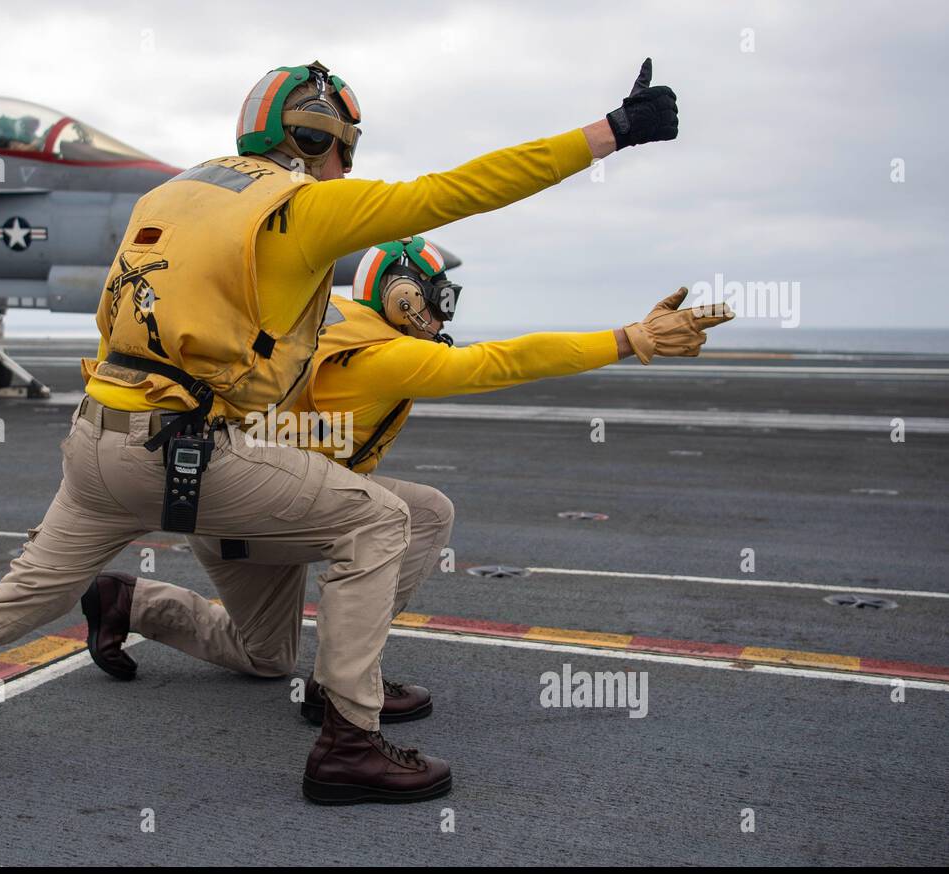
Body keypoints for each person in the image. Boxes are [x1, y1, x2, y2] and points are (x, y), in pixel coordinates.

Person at [0, 58, 683, 805]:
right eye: (342, 148)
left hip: (98, 443)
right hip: (191, 456)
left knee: (14, 601)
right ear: (317, 139)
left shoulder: (172, 193)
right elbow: (464, 190)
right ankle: (347, 742)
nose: (344, 166)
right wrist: (613, 130)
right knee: (382, 520)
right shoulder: (302, 207)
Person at [85, 239, 733, 766]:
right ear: (400, 293)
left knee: (265, 657)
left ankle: (130, 601)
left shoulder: (327, 318)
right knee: (419, 513)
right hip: (271, 510)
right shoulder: (379, 356)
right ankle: (344, 685)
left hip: (236, 514)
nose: (442, 312)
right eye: (435, 296)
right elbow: (504, 361)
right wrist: (630, 338)